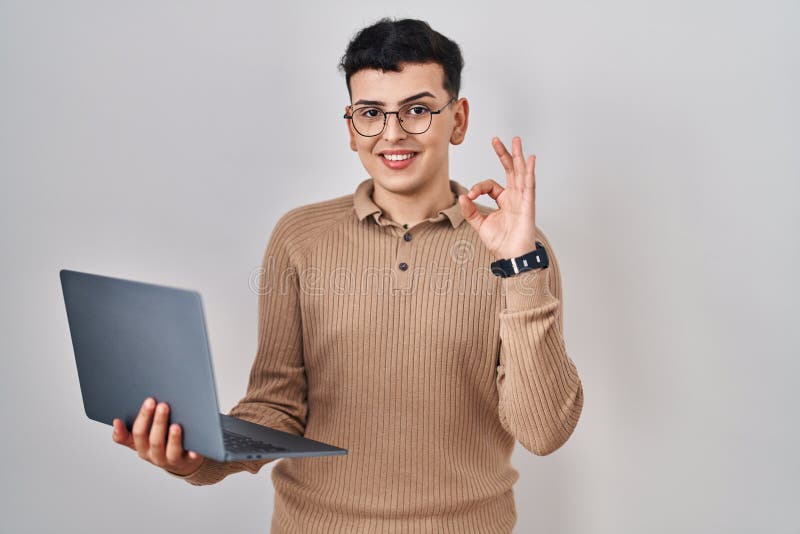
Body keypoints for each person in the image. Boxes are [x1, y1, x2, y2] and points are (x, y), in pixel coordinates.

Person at [111, 17, 584, 533]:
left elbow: (543, 431)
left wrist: (520, 265)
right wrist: (199, 458)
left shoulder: (522, 248)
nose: (392, 134)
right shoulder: (299, 236)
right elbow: (276, 405)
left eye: (417, 110)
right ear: (350, 126)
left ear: (458, 119)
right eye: (371, 113)